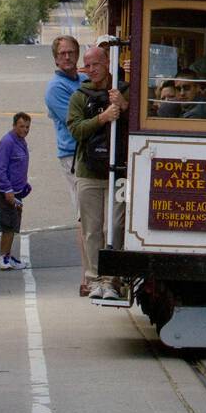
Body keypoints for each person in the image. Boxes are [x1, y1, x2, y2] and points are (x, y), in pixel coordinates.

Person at [67, 45, 128, 300]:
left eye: (96, 64)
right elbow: (76, 130)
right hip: (88, 172)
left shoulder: (123, 92)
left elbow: (141, 123)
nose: (91, 70)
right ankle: (94, 280)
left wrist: (123, 106)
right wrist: (103, 118)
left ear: (108, 63)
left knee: (115, 226)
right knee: (92, 228)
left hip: (119, 171)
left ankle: (113, 279)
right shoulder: (80, 96)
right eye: (87, 65)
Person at [44, 35, 89, 295]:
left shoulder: (83, 80)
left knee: (96, 216)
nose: (68, 57)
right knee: (85, 215)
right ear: (55, 57)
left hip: (90, 154)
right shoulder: (56, 89)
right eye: (62, 53)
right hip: (73, 155)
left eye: (72, 52)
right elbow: (77, 123)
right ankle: (87, 277)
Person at [0, 113, 32, 271]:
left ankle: (8, 255)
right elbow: (0, 169)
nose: (25, 130)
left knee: (14, 223)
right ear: (14, 125)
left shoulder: (21, 141)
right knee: (8, 224)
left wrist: (23, 185)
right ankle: (3, 256)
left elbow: (18, 166)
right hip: (5, 191)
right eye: (22, 126)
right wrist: (8, 190)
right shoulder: (7, 142)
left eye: (27, 127)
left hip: (17, 191)